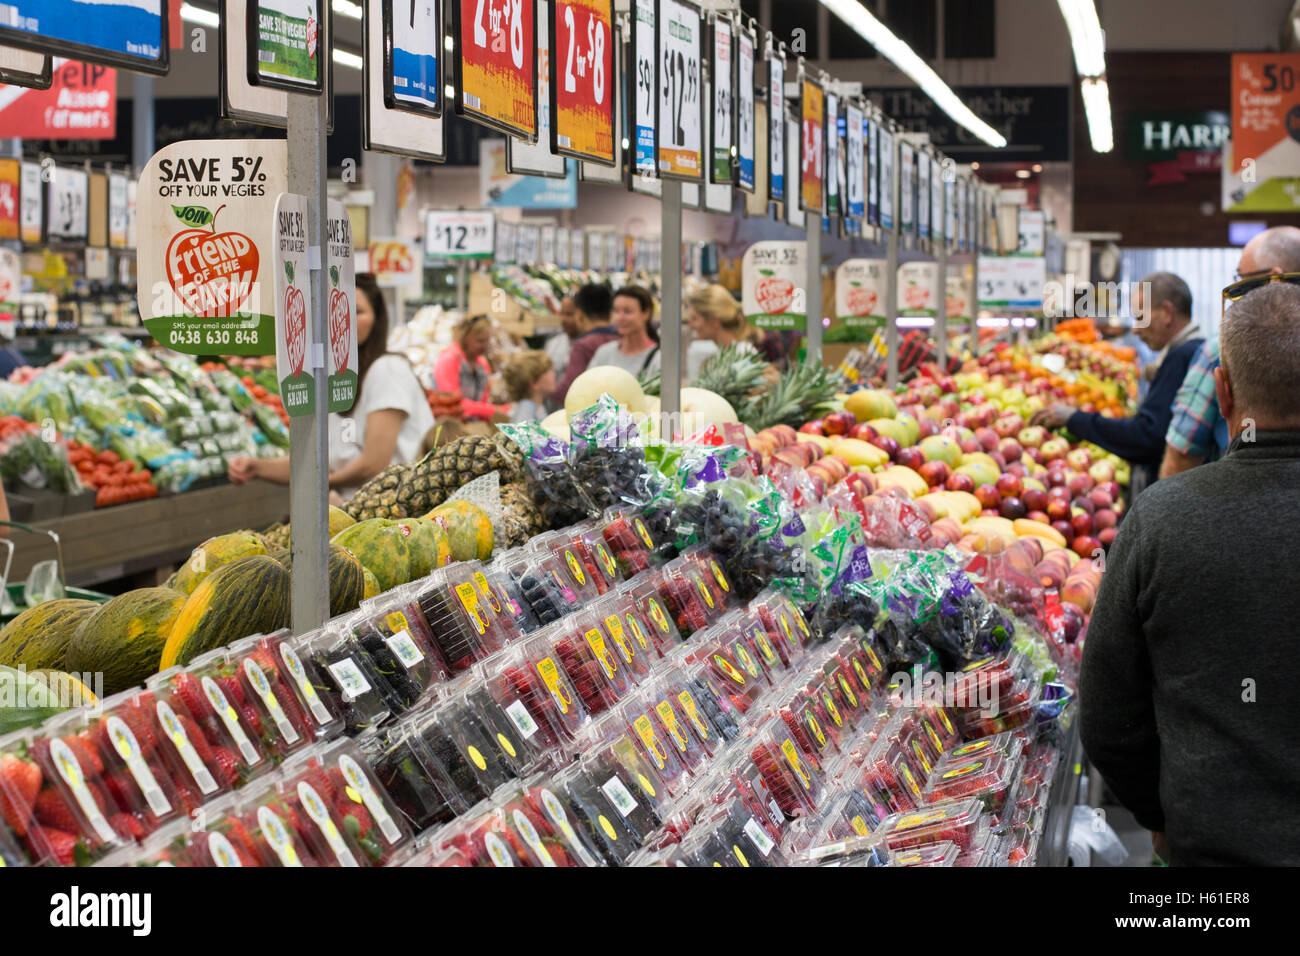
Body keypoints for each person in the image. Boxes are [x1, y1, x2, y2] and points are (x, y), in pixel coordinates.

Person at [1080, 282, 1300, 866]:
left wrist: (1159, 813)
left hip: (1208, 857)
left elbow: (1105, 710)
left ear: (1221, 393)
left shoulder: (1161, 518)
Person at [228, 274, 435, 499]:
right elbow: (317, 461)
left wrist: (322, 486)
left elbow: (373, 465)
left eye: (357, 312)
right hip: (353, 513)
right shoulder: (334, 380)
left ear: (377, 320)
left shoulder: (388, 370)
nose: (345, 320)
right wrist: (256, 467)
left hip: (394, 515)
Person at [1029, 272, 1202, 497]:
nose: (1136, 329)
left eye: (1140, 317)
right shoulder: (1193, 352)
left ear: (1167, 312)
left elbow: (1147, 437)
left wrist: (1074, 418)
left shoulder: (1181, 357)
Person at [1161, 224, 1300, 479]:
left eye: (1241, 279)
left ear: (1273, 278)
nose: (1237, 290)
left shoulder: (1221, 347)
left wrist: (1167, 507)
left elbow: (1182, 455)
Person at [685, 284, 786, 370]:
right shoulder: (724, 354)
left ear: (714, 321)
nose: (690, 325)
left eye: (695, 319)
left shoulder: (743, 356)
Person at [433, 314, 511, 422]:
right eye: (479, 341)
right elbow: (452, 403)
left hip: (472, 425)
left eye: (487, 341)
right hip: (449, 425)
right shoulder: (449, 359)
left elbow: (482, 401)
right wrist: (494, 410)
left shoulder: (482, 364)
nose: (485, 346)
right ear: (465, 338)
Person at [551, 283, 617, 405]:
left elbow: (568, 392)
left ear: (579, 314)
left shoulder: (583, 346)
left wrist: (544, 388)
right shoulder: (620, 340)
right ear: (611, 313)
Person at [588, 285, 661, 378]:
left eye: (627, 311)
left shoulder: (658, 359)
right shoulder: (604, 353)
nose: (620, 317)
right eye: (616, 311)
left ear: (646, 313)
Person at [502, 350, 555, 424]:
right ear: (534, 383)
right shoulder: (525, 413)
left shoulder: (536, 406)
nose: (553, 374)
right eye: (547, 371)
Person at [544, 294, 577, 380]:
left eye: (569, 314)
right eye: (561, 313)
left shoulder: (587, 347)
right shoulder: (554, 343)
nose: (563, 319)